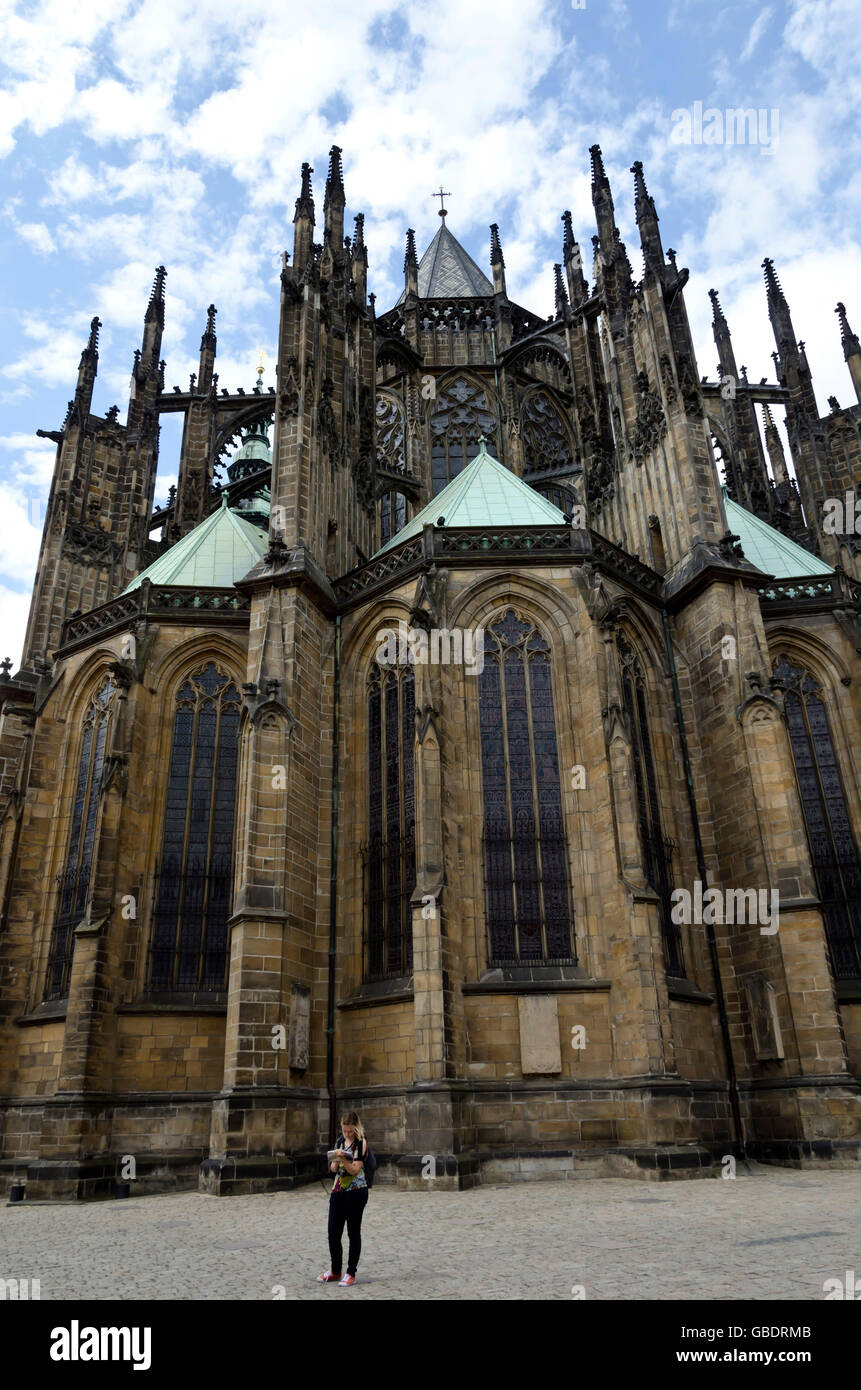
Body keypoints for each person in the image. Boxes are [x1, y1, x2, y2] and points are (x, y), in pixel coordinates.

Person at [317, 1110, 369, 1287]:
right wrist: (335, 1159)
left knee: (353, 1232)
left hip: (356, 1191)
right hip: (338, 1190)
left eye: (349, 1131)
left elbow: (354, 1169)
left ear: (355, 1127)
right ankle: (335, 1270)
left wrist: (343, 1160)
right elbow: (332, 1169)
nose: (346, 1134)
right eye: (344, 1130)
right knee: (333, 1232)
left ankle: (350, 1272)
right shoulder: (340, 1141)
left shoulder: (361, 1143)